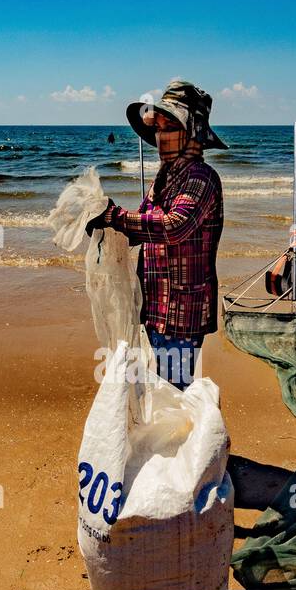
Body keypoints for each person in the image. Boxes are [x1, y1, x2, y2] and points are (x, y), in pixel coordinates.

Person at [84, 80, 226, 388]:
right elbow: (149, 226)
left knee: (176, 391)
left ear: (192, 133)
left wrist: (116, 216)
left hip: (182, 313)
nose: (161, 137)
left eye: (169, 127)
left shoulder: (200, 178)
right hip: (156, 306)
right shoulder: (163, 178)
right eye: (158, 128)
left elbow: (174, 225)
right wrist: (112, 230)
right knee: (163, 391)